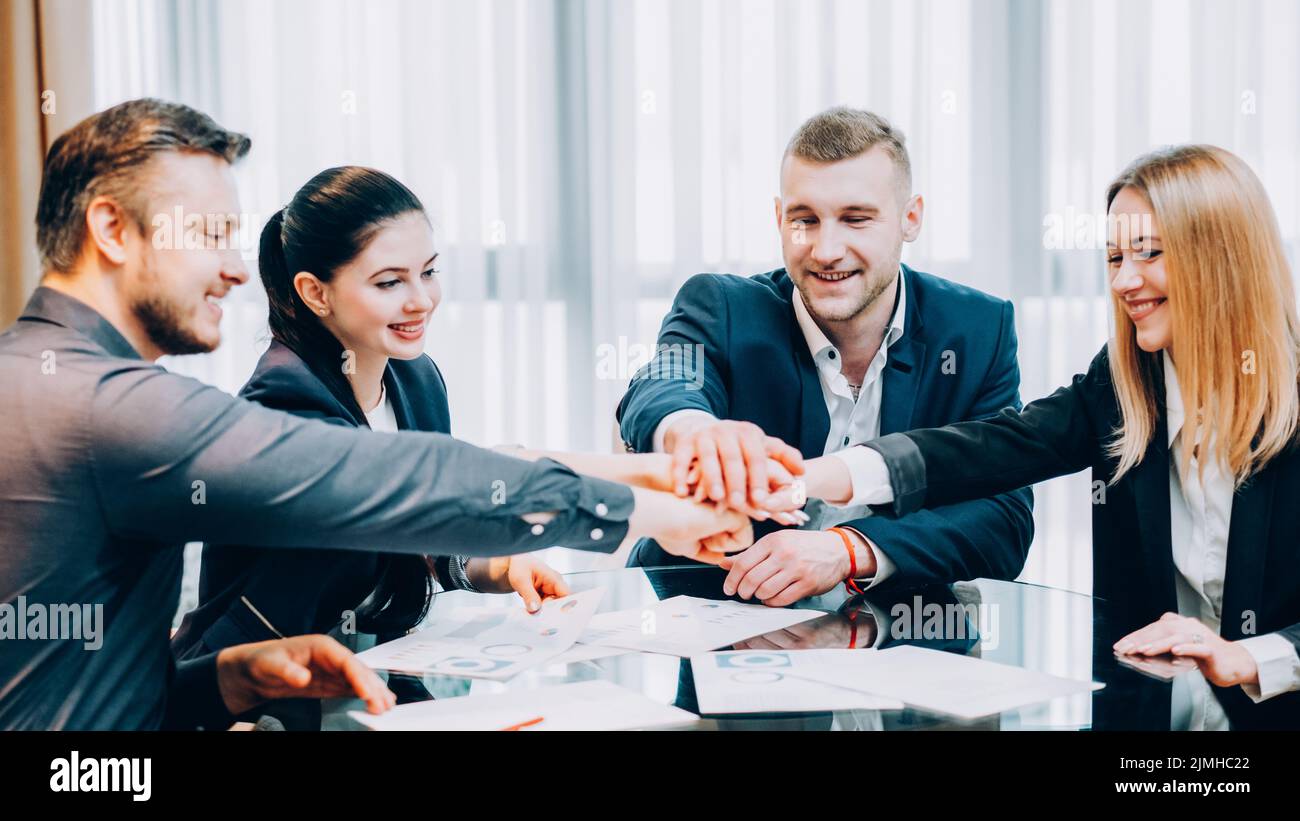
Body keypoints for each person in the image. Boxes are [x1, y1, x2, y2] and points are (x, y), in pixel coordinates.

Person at [0, 98, 753, 730]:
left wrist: (234, 677)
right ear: (110, 230)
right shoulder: (113, 408)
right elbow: (396, 479)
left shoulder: (43, 380)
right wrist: (644, 507)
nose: (234, 267)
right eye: (206, 236)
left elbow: (82, 694)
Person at [829, 145, 1300, 729]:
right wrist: (827, 474)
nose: (1125, 282)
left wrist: (1252, 656)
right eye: (1113, 257)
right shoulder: (1125, 383)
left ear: (1224, 260)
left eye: (1150, 254)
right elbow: (999, 445)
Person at [170, 166, 573, 729]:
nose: (421, 301)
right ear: (315, 292)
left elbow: (424, 529)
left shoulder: (416, 378)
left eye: (429, 273)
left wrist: (500, 564)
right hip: (265, 700)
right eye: (389, 283)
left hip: (373, 680)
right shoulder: (284, 403)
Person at [617, 106, 1033, 606]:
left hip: (901, 641)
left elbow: (1004, 519)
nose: (825, 250)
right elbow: (664, 381)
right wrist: (694, 431)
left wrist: (849, 550)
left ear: (910, 218)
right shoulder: (722, 307)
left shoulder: (976, 330)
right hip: (707, 619)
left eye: (856, 219)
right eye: (804, 220)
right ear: (779, 219)